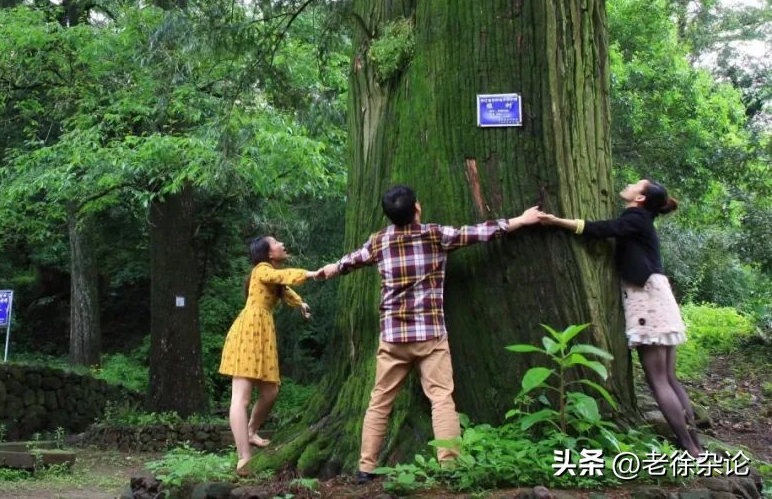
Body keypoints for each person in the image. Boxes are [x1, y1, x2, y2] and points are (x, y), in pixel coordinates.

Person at [317, 185, 541, 482]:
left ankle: (366, 467)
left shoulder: (379, 241)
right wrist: (521, 220)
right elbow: (479, 232)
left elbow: (352, 260)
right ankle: (449, 465)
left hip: (393, 337)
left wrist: (331, 268)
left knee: (380, 402)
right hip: (430, 336)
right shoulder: (434, 235)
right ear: (417, 209)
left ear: (389, 216)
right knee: (441, 398)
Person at [537, 179, 701, 457]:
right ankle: (695, 443)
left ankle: (690, 447)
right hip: (658, 296)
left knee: (659, 380)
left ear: (639, 198)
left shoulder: (635, 217)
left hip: (647, 299)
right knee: (669, 378)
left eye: (638, 184)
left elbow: (601, 229)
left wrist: (556, 221)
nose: (630, 184)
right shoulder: (642, 218)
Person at [219, 236, 318, 475]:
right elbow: (279, 277)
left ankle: (251, 430)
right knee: (241, 398)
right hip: (249, 330)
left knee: (271, 391)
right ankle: (244, 458)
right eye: (276, 243)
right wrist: (313, 273)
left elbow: (283, 289)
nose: (282, 245)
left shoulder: (272, 275)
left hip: (263, 334)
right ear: (268, 254)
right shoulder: (262, 269)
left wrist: (301, 304)